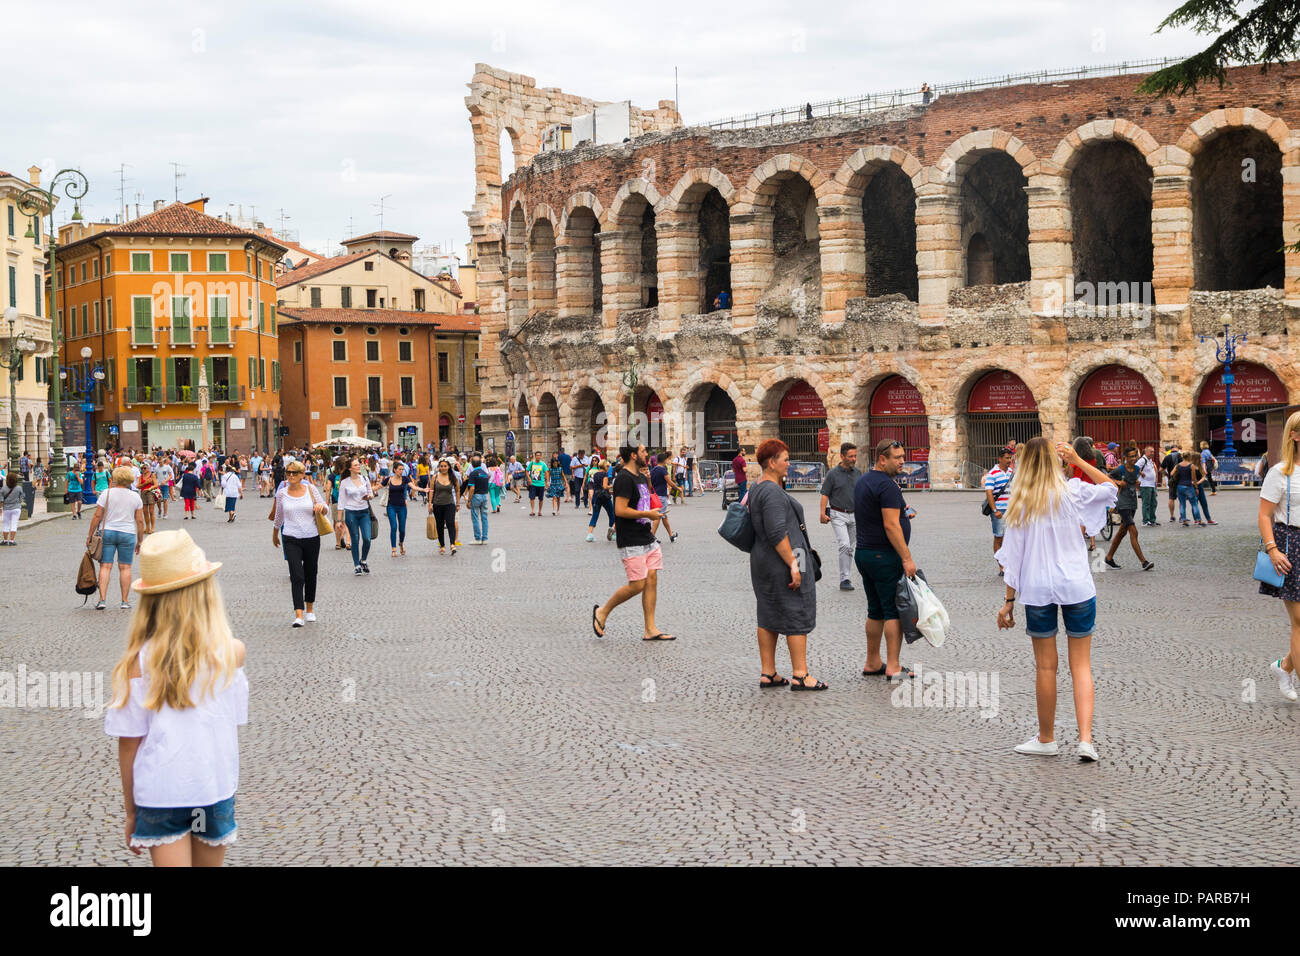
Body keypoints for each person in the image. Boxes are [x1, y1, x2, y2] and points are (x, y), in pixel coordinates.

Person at [105, 529, 247, 865]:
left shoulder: (138, 663)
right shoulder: (231, 653)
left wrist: (130, 812)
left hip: (162, 791)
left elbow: (129, 743)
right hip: (211, 786)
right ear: (205, 593)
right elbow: (235, 718)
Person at [996, 438, 1116, 762]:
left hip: (1037, 589)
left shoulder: (1020, 501)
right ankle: (1086, 740)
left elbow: (1012, 559)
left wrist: (1008, 601)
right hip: (1077, 585)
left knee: (1046, 667)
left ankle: (1047, 738)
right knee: (1081, 666)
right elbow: (1110, 490)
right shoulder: (1073, 491)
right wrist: (1079, 458)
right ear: (1055, 462)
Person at [748, 438, 826, 691]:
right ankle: (801, 675)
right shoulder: (770, 491)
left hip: (762, 560)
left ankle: (768, 673)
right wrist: (793, 564)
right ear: (771, 463)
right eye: (785, 459)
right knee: (795, 609)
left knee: (768, 613)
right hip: (782, 560)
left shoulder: (758, 486)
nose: (789, 463)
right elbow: (777, 531)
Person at [592, 444, 674, 642]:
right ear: (633, 455)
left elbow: (642, 503)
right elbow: (619, 510)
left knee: (652, 579)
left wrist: (653, 512)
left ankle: (650, 629)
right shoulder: (624, 478)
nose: (647, 454)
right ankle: (602, 612)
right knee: (637, 584)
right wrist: (648, 514)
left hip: (646, 536)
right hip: (630, 539)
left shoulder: (640, 477)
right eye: (644, 451)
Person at [854, 439, 917, 682]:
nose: (902, 461)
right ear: (882, 458)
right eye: (897, 457)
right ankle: (893, 665)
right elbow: (891, 525)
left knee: (875, 609)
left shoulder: (863, 481)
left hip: (864, 553)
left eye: (903, 456)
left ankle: (872, 661)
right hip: (884, 555)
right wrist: (907, 558)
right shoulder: (888, 487)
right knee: (892, 610)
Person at [1259, 411, 1300, 701]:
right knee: (1299, 621)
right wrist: (1273, 549)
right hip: (1291, 545)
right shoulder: (1281, 472)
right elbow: (1264, 515)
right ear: (1295, 435)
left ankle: (1284, 666)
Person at [270, 460, 328, 625]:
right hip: (290, 537)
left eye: (295, 473)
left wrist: (320, 508)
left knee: (311, 574)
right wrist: (275, 533)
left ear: (302, 474)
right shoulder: (282, 493)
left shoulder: (310, 489)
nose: (291, 476)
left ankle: (310, 609)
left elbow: (325, 507)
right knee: (296, 575)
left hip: (311, 537)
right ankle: (299, 614)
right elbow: (279, 515)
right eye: (288, 473)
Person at [85, 466, 146, 610]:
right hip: (128, 533)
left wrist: (90, 535)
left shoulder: (106, 493)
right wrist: (140, 540)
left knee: (105, 566)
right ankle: (124, 601)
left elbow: (97, 516)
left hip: (108, 532)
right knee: (125, 568)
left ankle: (102, 599)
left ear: (115, 478)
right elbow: (140, 521)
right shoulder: (135, 496)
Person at [1104, 446, 1154, 571]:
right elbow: (1107, 476)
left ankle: (1109, 558)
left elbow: (1134, 478)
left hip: (1132, 502)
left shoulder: (1137, 468)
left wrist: (1137, 481)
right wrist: (1117, 482)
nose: (1133, 458)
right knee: (1133, 530)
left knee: (1122, 532)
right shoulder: (1120, 469)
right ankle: (1144, 562)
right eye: (1131, 456)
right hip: (1122, 503)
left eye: (1135, 456)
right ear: (1125, 457)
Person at [819, 442, 860, 591]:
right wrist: (822, 513)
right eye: (850, 456)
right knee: (844, 544)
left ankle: (847, 575)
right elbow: (824, 494)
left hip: (855, 515)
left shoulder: (858, 473)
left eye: (855, 456)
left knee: (850, 548)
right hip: (838, 514)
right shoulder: (832, 474)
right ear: (842, 456)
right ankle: (845, 579)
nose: (854, 459)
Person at [983, 446, 1015, 576]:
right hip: (999, 510)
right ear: (1000, 459)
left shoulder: (1011, 472)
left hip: (1011, 509)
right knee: (999, 537)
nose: (1009, 460)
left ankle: (1009, 563)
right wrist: (995, 509)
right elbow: (989, 493)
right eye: (1007, 458)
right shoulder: (992, 474)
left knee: (1011, 537)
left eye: (1010, 458)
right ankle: (1001, 566)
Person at [427, 458, 460, 555]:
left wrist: (458, 503)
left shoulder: (453, 477)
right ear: (439, 467)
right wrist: (430, 503)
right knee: (440, 525)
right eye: (441, 466)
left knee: (450, 523)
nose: (443, 468)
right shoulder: (435, 477)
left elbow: (458, 490)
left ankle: (452, 544)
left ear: (449, 467)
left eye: (445, 466)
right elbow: (431, 491)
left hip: (450, 504)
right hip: (437, 504)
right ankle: (442, 545)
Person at [647, 453, 680, 542]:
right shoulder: (663, 470)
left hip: (655, 496)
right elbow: (670, 482)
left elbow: (649, 485)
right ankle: (651, 536)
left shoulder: (653, 470)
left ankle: (671, 535)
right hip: (661, 496)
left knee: (664, 516)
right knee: (659, 516)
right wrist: (678, 488)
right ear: (664, 460)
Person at [382, 461, 412, 556]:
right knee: (394, 527)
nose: (402, 471)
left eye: (403, 469)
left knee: (402, 529)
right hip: (391, 506)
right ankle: (393, 549)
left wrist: (423, 490)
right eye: (400, 469)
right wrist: (366, 490)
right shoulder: (388, 480)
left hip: (402, 507)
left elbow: (413, 486)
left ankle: (401, 543)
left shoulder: (405, 479)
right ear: (394, 470)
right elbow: (378, 487)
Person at [462, 454, 491, 544]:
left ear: (472, 464)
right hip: (484, 496)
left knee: (475, 517)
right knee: (484, 518)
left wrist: (469, 500)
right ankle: (485, 538)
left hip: (476, 496)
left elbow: (472, 488)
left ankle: (477, 538)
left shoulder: (473, 474)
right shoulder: (485, 474)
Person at [586, 455, 615, 542]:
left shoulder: (596, 474)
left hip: (596, 496)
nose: (608, 468)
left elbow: (598, 486)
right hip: (605, 497)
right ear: (605, 466)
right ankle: (612, 533)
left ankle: (590, 535)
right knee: (611, 514)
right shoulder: (604, 474)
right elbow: (605, 486)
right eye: (608, 466)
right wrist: (612, 486)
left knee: (595, 515)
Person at [1174, 450, 1206, 527]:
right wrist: (1196, 488)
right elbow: (1194, 478)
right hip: (1189, 486)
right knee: (1194, 504)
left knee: (1182, 504)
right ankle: (1199, 520)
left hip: (1180, 486)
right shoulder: (1191, 465)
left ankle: (1184, 521)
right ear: (1189, 457)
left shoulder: (1178, 465)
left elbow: (1172, 473)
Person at [1137, 444, 1160, 526]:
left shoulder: (1150, 460)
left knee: (1154, 503)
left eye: (1153, 452)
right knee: (1146, 503)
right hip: (1145, 485)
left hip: (1152, 485)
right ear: (1146, 452)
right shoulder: (1143, 460)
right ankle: (1146, 521)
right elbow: (1135, 467)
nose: (1152, 453)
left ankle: (1152, 520)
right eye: (1151, 452)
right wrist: (1141, 473)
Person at [1161, 444, 1182, 522]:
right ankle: (1181, 516)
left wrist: (1167, 475)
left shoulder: (1167, 457)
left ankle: (1172, 516)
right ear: (1177, 449)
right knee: (1181, 499)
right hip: (1181, 480)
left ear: (1171, 449)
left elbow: (1161, 469)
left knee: (1171, 498)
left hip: (1171, 480)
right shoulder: (1182, 456)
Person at [1, 473, 23, 545]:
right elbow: (22, 497)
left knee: (6, 524)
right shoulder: (19, 488)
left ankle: (5, 540)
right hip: (16, 508)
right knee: (14, 523)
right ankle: (11, 540)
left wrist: (0, 508)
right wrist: (18, 502)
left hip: (6, 508)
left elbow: (1, 500)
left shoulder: (3, 489)